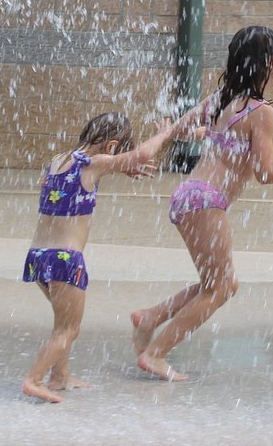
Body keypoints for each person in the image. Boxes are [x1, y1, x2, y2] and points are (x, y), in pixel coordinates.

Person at [130, 26, 273, 381]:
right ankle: (155, 353)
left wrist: (166, 135)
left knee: (220, 284)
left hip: (189, 196)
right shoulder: (261, 111)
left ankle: (151, 317)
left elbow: (182, 129)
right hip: (206, 201)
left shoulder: (222, 98)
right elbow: (266, 173)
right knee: (220, 288)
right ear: (268, 64)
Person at [20, 110, 183, 402]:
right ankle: (34, 379)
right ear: (111, 146)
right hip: (65, 260)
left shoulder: (58, 160)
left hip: (38, 256)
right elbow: (143, 154)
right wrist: (165, 134)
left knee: (61, 322)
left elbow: (79, 180)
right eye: (116, 153)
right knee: (69, 329)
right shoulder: (95, 163)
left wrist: (119, 166)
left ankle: (59, 376)